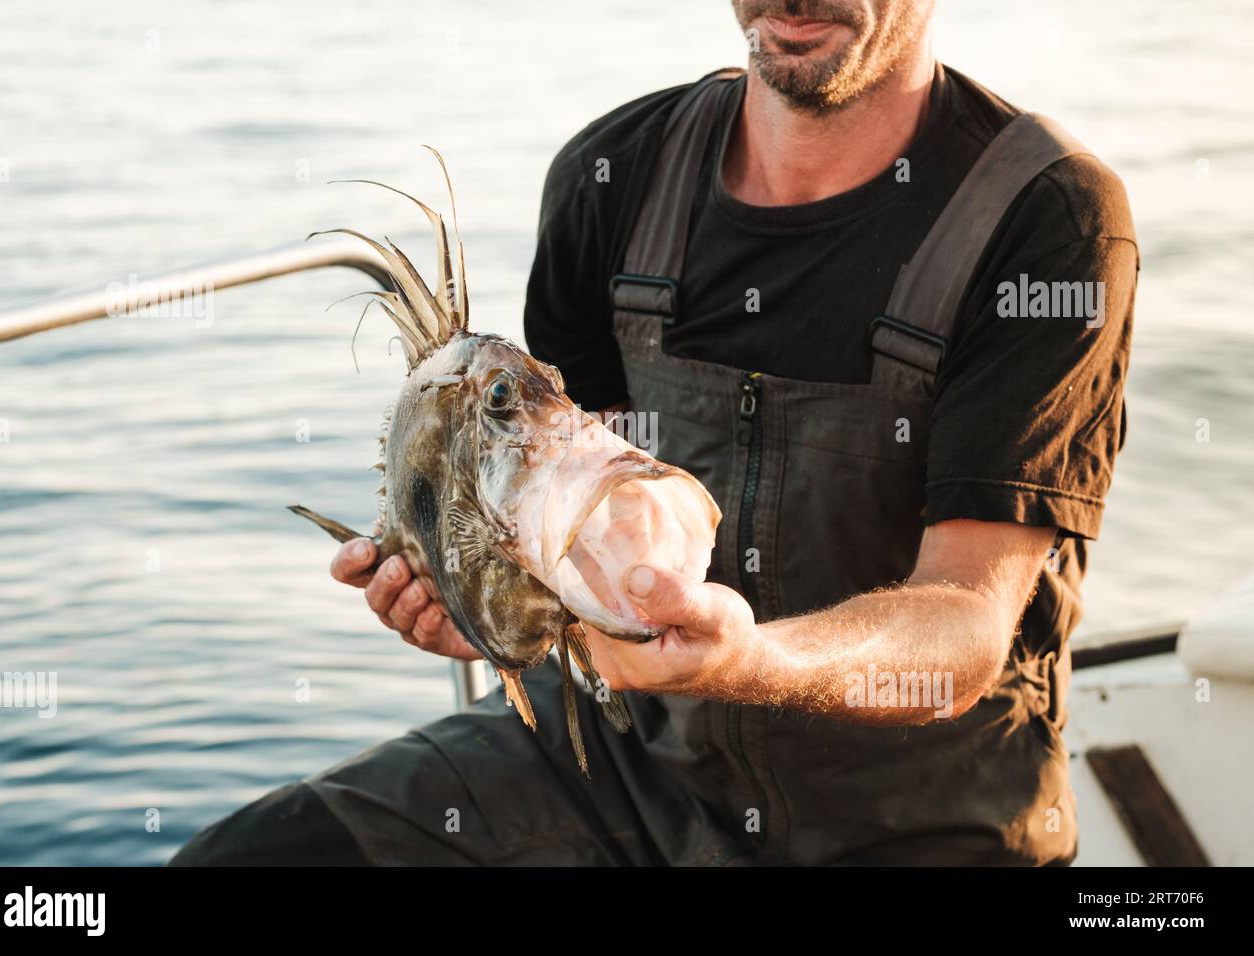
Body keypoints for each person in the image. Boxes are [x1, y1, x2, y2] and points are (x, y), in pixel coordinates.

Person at [172, 0, 1136, 865]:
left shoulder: (1045, 220)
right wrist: (488, 602)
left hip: (916, 820)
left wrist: (747, 662)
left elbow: (964, 626)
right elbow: (552, 531)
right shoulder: (613, 175)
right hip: (620, 760)